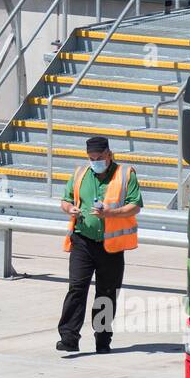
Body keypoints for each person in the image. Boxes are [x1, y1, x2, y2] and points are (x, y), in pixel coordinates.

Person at [57, 136, 142, 354]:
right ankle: (69, 338)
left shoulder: (125, 174)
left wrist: (110, 213)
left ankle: (102, 340)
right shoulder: (80, 174)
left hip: (110, 245)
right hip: (82, 240)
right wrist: (69, 209)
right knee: (76, 287)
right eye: (91, 158)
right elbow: (65, 200)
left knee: (106, 293)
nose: (95, 162)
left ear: (109, 155)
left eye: (99, 158)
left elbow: (135, 206)